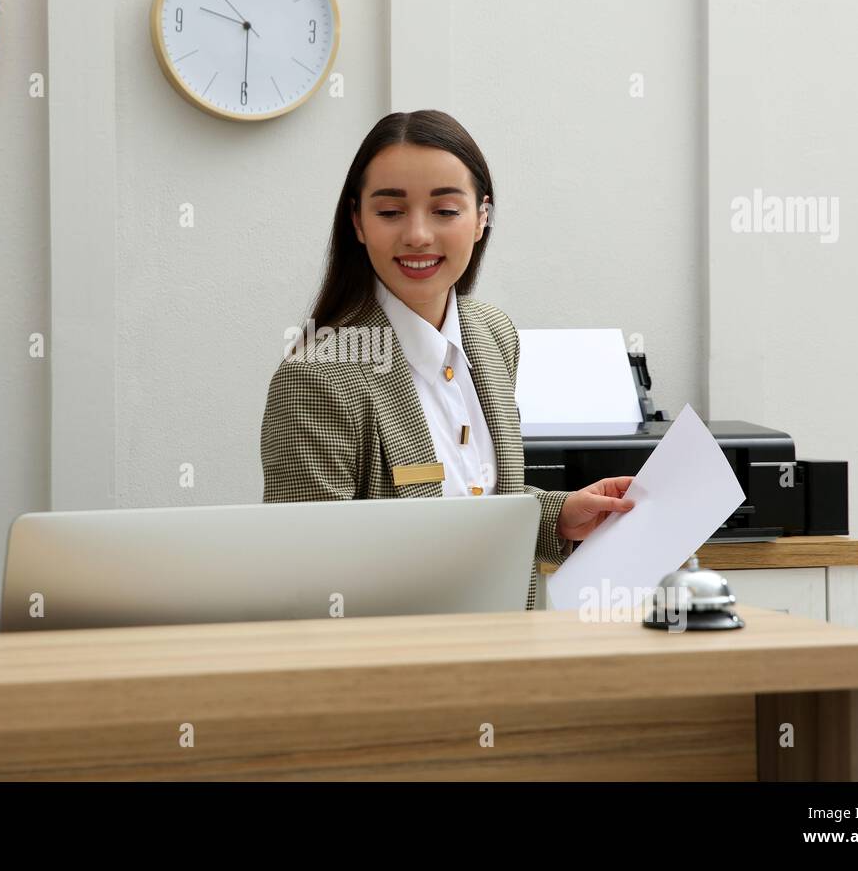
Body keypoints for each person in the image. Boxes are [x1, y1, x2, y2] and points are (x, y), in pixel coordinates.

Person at [260, 110, 634, 609]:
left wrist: (558, 514)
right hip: (394, 671)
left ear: (482, 218)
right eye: (391, 212)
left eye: (445, 210)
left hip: (506, 657)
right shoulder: (316, 377)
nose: (417, 234)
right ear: (357, 221)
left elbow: (478, 493)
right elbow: (302, 574)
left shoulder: (494, 335)